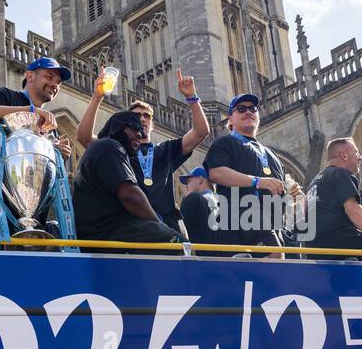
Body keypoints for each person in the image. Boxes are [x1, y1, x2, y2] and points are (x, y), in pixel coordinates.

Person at [78, 69, 210, 232]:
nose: (141, 119)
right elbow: (84, 137)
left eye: (146, 116)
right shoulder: (116, 149)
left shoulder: (165, 150)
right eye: (136, 116)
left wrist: (192, 97)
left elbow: (201, 132)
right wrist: (97, 97)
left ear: (152, 124)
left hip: (169, 227)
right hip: (133, 229)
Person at [0, 57, 74, 240]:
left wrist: (58, 156)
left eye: (58, 82)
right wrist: (31, 111)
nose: (54, 84)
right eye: (49, 76)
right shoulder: (7, 96)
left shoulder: (48, 127)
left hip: (35, 223)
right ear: (30, 76)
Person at [72, 110, 183, 248]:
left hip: (103, 232)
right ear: (118, 127)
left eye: (141, 132)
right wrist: (158, 224)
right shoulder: (110, 146)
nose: (139, 135)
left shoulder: (105, 149)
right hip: (106, 233)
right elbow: (130, 195)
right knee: (178, 242)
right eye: (134, 128)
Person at [203, 94, 290, 253]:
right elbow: (216, 173)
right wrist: (257, 181)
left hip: (275, 225)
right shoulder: (226, 142)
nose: (248, 112)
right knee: (275, 256)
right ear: (230, 119)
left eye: (252, 108)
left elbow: (279, 193)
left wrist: (292, 194)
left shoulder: (272, 155)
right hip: (240, 222)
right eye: (241, 109)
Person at [178, 166, 221, 247]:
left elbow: (179, 231)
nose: (186, 186)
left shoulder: (194, 198)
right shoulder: (220, 205)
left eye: (189, 181)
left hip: (195, 256)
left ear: (200, 180)